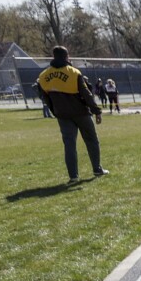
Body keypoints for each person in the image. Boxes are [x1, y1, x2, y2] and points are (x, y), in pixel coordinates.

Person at [35, 46, 107, 185]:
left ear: (53, 56)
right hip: (81, 113)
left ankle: (73, 176)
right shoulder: (73, 72)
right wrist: (96, 111)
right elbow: (86, 94)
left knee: (69, 145)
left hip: (63, 115)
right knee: (91, 140)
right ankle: (97, 169)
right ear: (67, 56)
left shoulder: (43, 76)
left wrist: (55, 112)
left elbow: (46, 98)